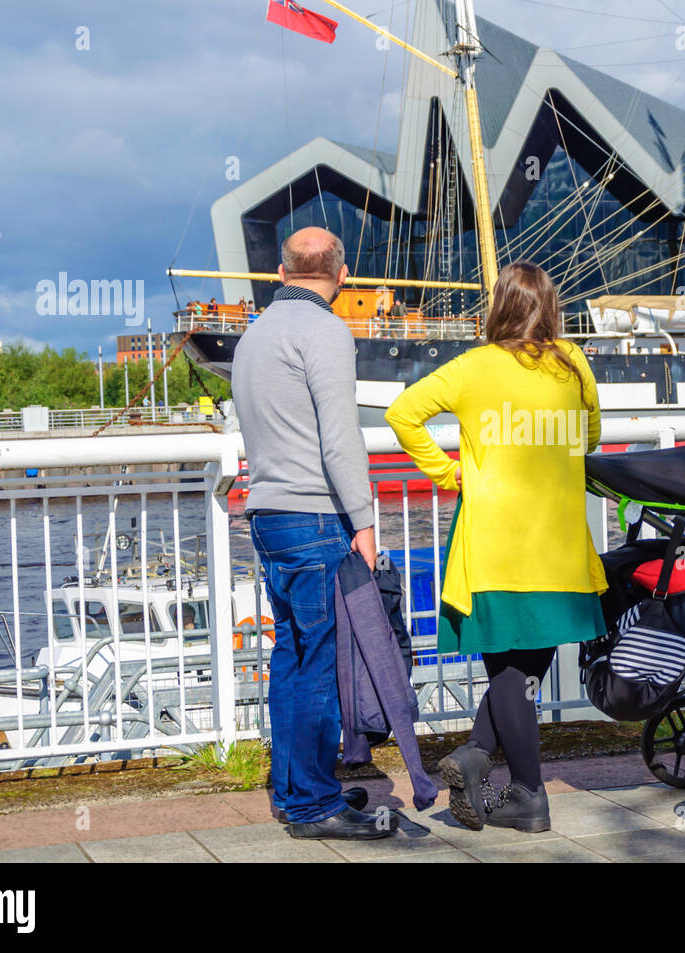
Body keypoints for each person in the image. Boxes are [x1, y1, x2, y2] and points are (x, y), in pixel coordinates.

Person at [386, 261, 606, 834]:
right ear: (551, 308)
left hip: (496, 544)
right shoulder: (573, 363)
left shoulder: (475, 367)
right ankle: (482, 759)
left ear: (500, 306)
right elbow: (590, 437)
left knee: (508, 671)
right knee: (528, 664)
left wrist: (447, 473)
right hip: (558, 541)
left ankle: (524, 791)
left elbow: (402, 414)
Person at [232, 226, 392, 842]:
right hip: (314, 517)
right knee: (318, 664)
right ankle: (313, 805)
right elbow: (340, 437)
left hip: (268, 516)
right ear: (341, 273)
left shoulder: (254, 334)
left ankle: (301, 787)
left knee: (293, 658)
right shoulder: (325, 330)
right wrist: (365, 522)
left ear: (280, 272)